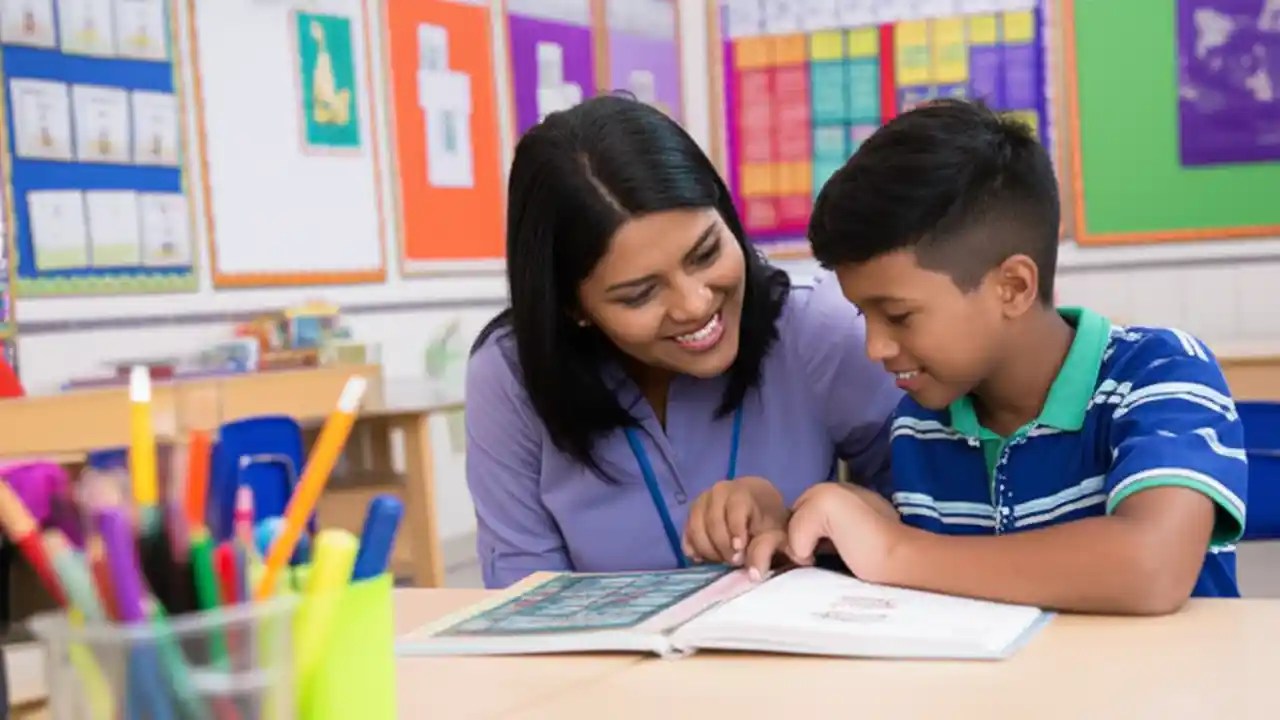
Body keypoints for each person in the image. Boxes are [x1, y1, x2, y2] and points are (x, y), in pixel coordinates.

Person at [746, 99, 1248, 614]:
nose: (875, 348)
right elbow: (939, 564)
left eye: (898, 316)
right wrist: (831, 529)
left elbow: (1152, 567)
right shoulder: (921, 422)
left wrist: (893, 550)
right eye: (862, 316)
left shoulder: (1161, 372)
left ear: (1012, 287)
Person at [465, 95, 901, 589]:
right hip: (601, 663)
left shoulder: (818, 327)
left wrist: (802, 516)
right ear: (573, 306)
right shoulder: (510, 377)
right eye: (640, 294)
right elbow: (523, 598)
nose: (694, 304)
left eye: (707, 252)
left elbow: (925, 521)